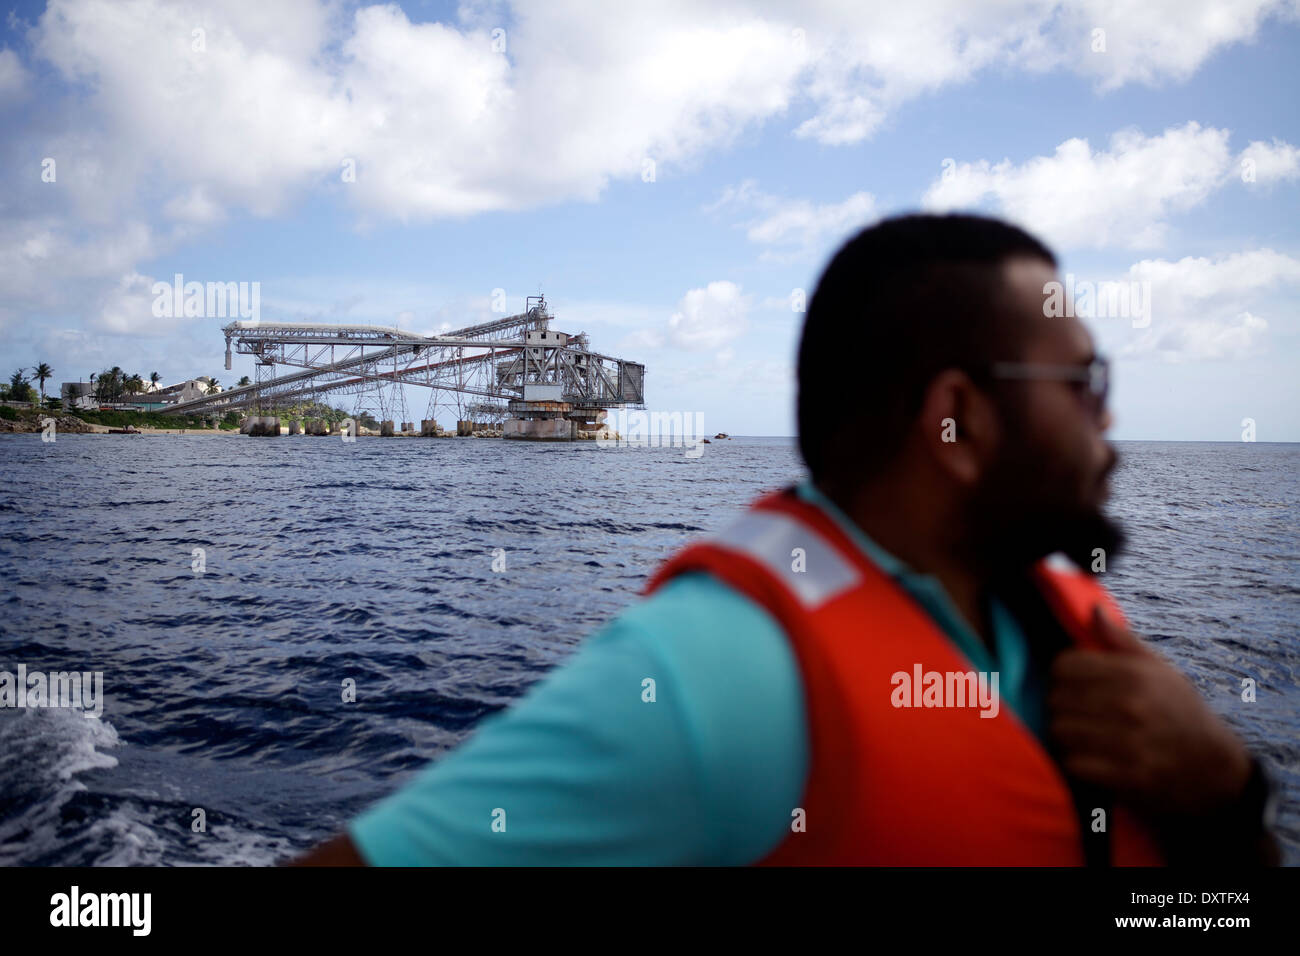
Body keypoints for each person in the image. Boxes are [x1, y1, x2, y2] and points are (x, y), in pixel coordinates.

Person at [294, 213, 1279, 866]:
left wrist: (1228, 794)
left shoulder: (1067, 630)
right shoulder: (727, 672)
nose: (1108, 423)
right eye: (1083, 385)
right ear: (957, 418)